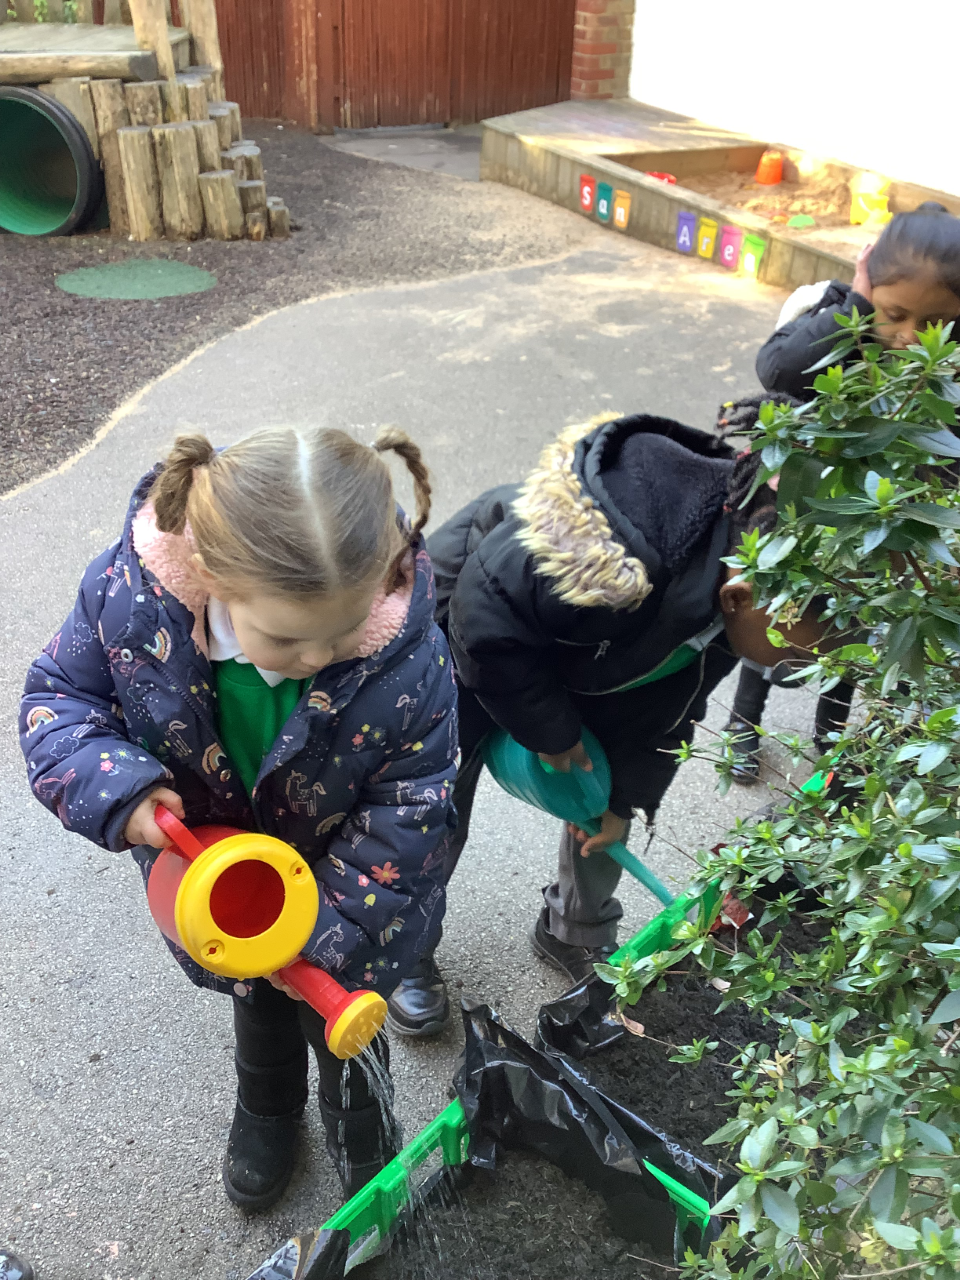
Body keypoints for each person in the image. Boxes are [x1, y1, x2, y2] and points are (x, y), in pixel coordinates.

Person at [20, 426, 457, 1211]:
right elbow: (59, 701)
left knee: (348, 1018)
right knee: (256, 1001)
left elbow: (413, 804)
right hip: (222, 889)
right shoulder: (130, 604)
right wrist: (120, 789)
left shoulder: (406, 659)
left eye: (344, 628)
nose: (321, 655)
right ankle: (266, 1107)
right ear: (214, 576)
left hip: (348, 901)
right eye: (289, 637)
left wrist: (325, 935)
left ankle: (366, 1122)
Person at [387, 408, 837, 1036]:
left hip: (591, 651)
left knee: (603, 805)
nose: (804, 667)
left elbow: (669, 710)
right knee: (433, 805)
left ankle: (575, 929)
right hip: (466, 630)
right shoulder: (621, 551)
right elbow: (487, 622)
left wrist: (625, 796)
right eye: (801, 649)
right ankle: (406, 953)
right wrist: (554, 732)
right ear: (740, 597)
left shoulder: (734, 604)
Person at [714, 398, 854, 783]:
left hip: (841, 576)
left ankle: (831, 736)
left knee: (844, 649)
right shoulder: (762, 484)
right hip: (782, 579)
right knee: (764, 644)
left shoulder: (843, 473)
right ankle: (741, 725)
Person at [756, 201, 960, 398]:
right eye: (895, 315)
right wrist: (853, 310)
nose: (911, 336)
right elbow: (776, 374)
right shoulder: (836, 310)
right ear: (868, 282)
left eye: (933, 323)